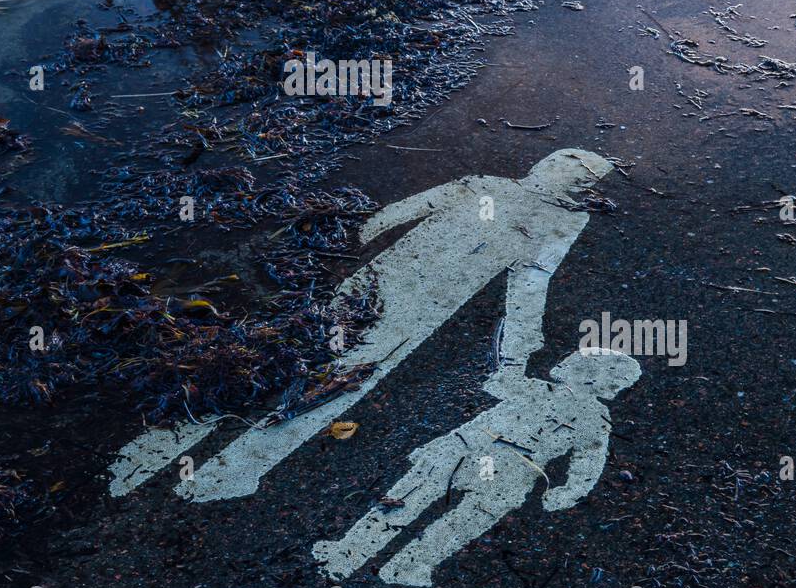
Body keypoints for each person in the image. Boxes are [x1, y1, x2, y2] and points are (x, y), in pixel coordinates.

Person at [173, 147, 614, 504]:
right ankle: (190, 440)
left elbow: (532, 278)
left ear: (584, 187)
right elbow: (411, 208)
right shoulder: (485, 185)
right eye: (559, 161)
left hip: (425, 303)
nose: (560, 171)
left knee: (342, 379)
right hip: (379, 281)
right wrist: (360, 236)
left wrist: (517, 344)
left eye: (575, 172)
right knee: (301, 353)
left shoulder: (563, 220)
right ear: (541, 162)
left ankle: (238, 465)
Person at [312, 347, 641, 586]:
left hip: (472, 450)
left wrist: (511, 358)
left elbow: (498, 381)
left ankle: (351, 555)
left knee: (414, 496)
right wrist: (568, 492)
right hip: (508, 467)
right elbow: (588, 461)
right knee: (461, 519)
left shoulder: (543, 393)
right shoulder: (596, 420)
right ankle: (407, 565)